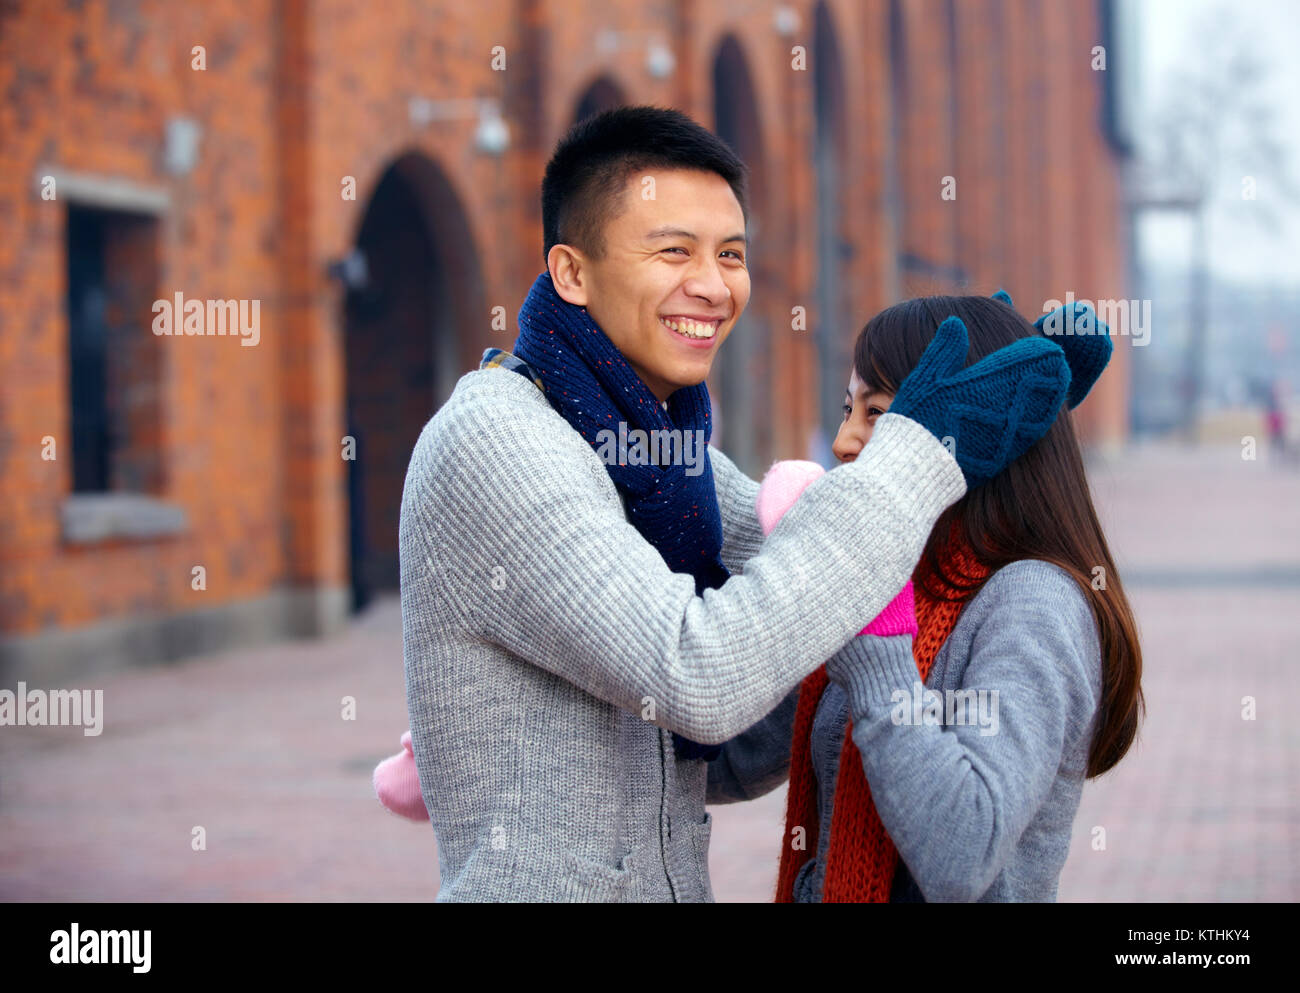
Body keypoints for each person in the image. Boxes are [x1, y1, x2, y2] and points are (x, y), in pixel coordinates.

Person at [386, 106, 1072, 901]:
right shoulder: (498, 440)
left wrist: (1029, 439)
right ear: (571, 272)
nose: (713, 285)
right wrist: (922, 448)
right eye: (673, 250)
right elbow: (699, 674)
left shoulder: (654, 449)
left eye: (732, 254)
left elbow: (801, 569)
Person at [708, 292, 1145, 902]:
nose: (841, 441)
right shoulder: (900, 574)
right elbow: (734, 756)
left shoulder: (1032, 602)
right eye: (846, 410)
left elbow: (964, 849)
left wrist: (877, 647)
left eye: (878, 415)